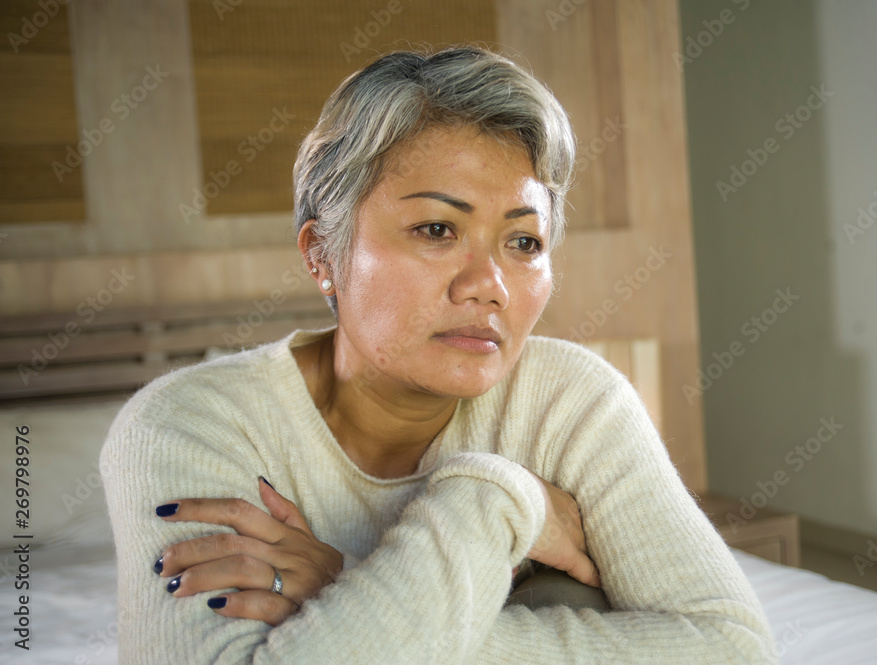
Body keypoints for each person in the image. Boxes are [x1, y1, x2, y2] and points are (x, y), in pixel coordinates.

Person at [101, 46, 777, 663]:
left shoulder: (572, 401)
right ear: (321, 254)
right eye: (435, 229)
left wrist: (344, 586)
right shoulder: (188, 425)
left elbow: (733, 648)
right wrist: (505, 502)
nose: (490, 285)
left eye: (524, 243)